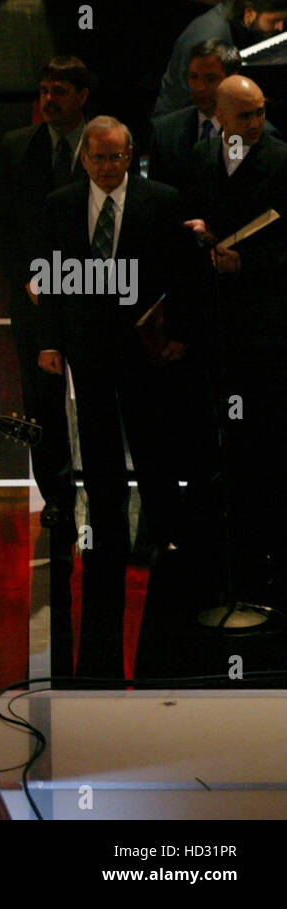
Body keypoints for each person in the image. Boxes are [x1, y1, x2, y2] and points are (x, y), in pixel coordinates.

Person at [38, 116, 196, 681]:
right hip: (88, 346)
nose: (108, 167)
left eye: (117, 157)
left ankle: (164, 533)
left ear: (132, 156)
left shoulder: (162, 200)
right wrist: (52, 342)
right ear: (84, 158)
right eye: (99, 158)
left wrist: (178, 333)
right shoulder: (60, 204)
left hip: (144, 346)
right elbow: (53, 278)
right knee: (99, 445)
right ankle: (105, 536)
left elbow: (182, 275)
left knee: (151, 442)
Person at [181, 75, 287, 602]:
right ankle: (220, 550)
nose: (255, 122)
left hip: (264, 329)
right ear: (218, 116)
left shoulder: (283, 160)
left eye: (260, 112)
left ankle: (265, 550)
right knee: (214, 436)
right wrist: (200, 232)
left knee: (262, 441)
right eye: (245, 115)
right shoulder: (201, 159)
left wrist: (248, 262)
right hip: (213, 325)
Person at [0, 56, 87, 530]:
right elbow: (3, 227)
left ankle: (103, 488)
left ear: (83, 96)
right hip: (32, 297)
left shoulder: (104, 144)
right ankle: (57, 496)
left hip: (91, 296)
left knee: (97, 395)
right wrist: (26, 281)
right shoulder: (15, 148)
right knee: (41, 402)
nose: (49, 99)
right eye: (44, 90)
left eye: (60, 91)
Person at [153, 1, 287, 118]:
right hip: (183, 124)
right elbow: (201, 93)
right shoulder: (212, 37)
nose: (280, 27)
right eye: (275, 21)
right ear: (250, 13)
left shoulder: (236, 20)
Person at [149, 40, 244, 189]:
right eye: (193, 77)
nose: (199, 87)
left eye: (210, 79)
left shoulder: (247, 132)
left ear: (233, 79)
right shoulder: (165, 131)